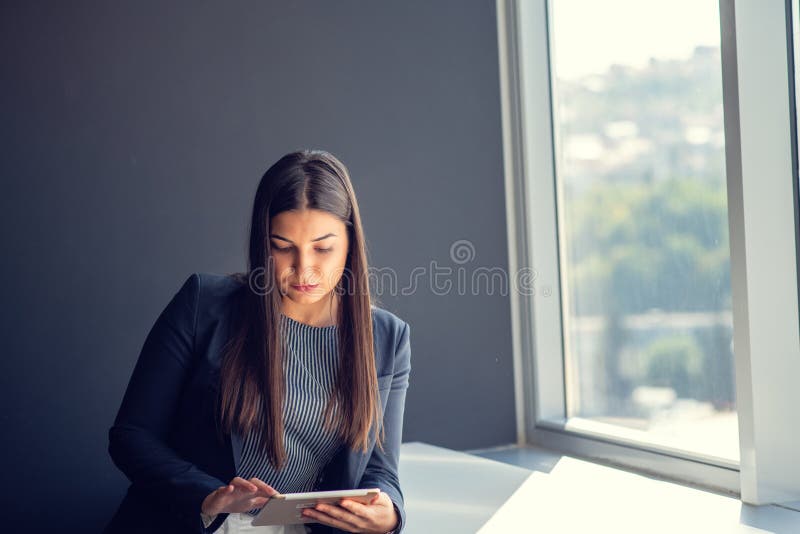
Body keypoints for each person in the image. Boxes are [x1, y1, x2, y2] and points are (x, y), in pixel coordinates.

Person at [104, 150, 411, 534]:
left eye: (322, 247)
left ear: (350, 242)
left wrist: (390, 514)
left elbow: (381, 470)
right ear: (262, 243)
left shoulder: (387, 338)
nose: (304, 269)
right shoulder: (204, 304)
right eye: (283, 247)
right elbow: (131, 435)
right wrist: (208, 496)